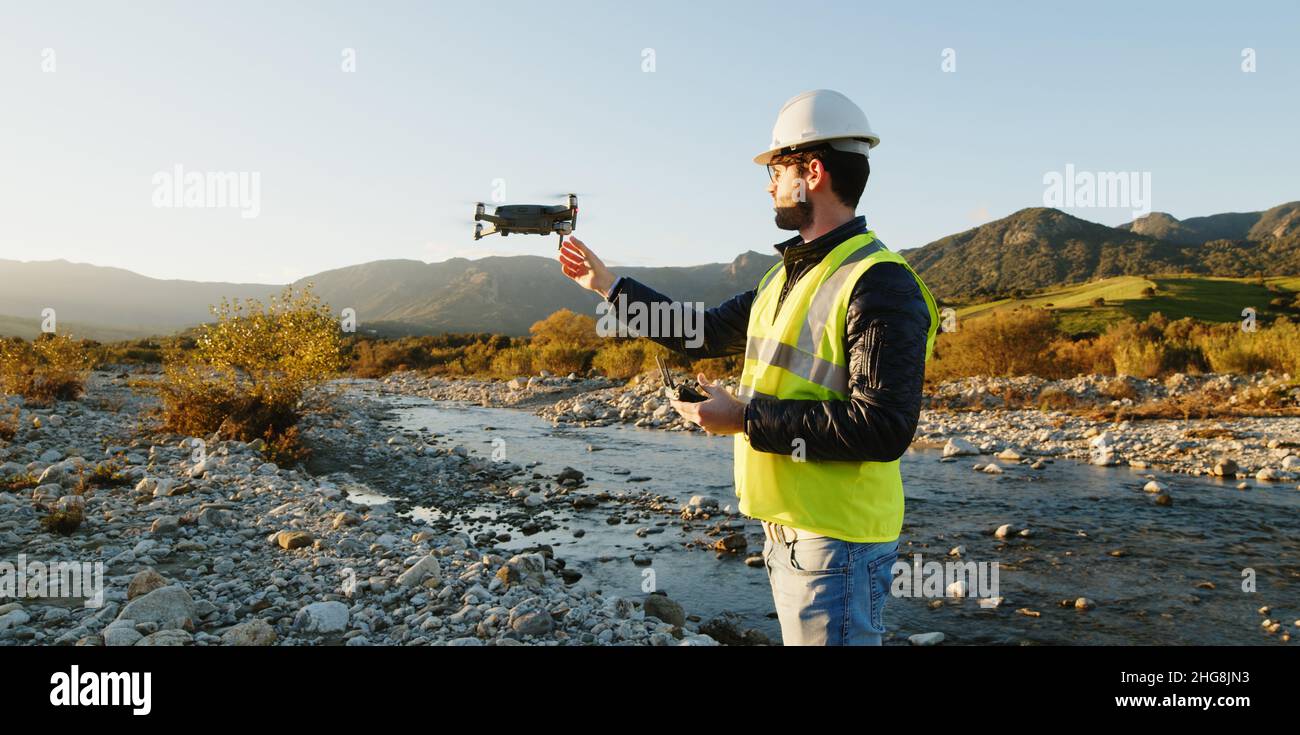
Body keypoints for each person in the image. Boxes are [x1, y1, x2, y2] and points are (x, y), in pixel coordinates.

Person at [557, 89, 940, 645]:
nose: (768, 184)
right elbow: (701, 331)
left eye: (776, 170)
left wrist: (743, 418)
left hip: (838, 538)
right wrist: (607, 285)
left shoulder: (879, 281)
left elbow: (884, 427)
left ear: (811, 172)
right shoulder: (783, 276)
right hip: (790, 532)